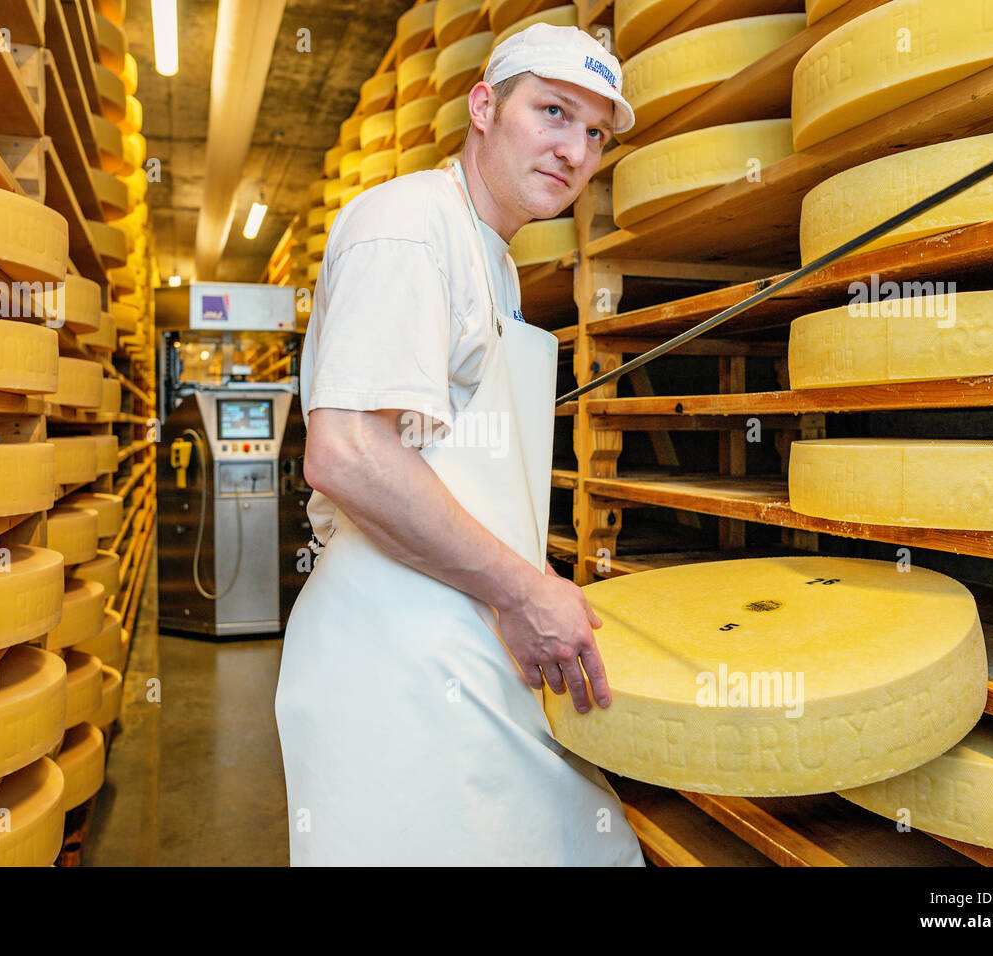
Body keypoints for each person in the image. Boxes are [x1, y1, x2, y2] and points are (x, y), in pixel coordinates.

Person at [275, 23, 644, 866]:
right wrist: (524, 590)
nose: (574, 149)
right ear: (484, 107)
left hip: (455, 624)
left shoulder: (494, 259)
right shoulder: (408, 225)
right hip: (395, 653)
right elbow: (346, 453)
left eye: (593, 133)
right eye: (552, 112)